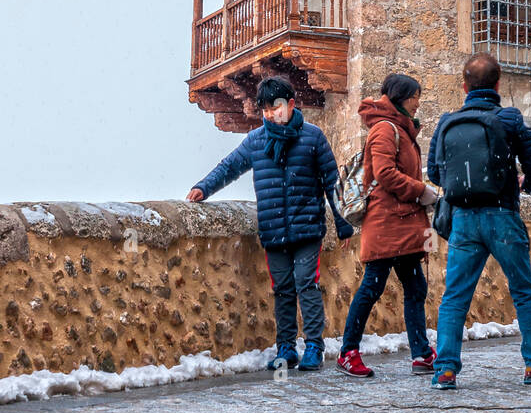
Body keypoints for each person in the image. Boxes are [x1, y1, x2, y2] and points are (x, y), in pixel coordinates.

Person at [186, 75, 354, 371]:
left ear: (290, 104)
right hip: (274, 230)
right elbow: (230, 167)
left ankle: (314, 345)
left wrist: (343, 224)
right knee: (284, 289)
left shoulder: (313, 137)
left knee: (306, 285)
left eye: (275, 108)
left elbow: (332, 182)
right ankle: (286, 347)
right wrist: (204, 187)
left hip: (307, 229)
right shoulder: (256, 141)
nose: (270, 115)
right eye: (265, 110)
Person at [427, 52, 531, 391]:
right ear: (498, 84)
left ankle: (445, 369)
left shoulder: (447, 122)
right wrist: (526, 185)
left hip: (462, 220)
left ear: (464, 86)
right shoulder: (510, 119)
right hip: (503, 215)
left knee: (455, 297)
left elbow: (433, 172)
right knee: (523, 291)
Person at [336, 73, 440, 378]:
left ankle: (421, 353)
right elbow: (384, 173)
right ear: (401, 98)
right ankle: (348, 352)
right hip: (386, 223)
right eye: (415, 97)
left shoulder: (402, 130)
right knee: (372, 287)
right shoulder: (385, 129)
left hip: (404, 224)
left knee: (415, 287)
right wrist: (421, 191)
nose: (419, 103)